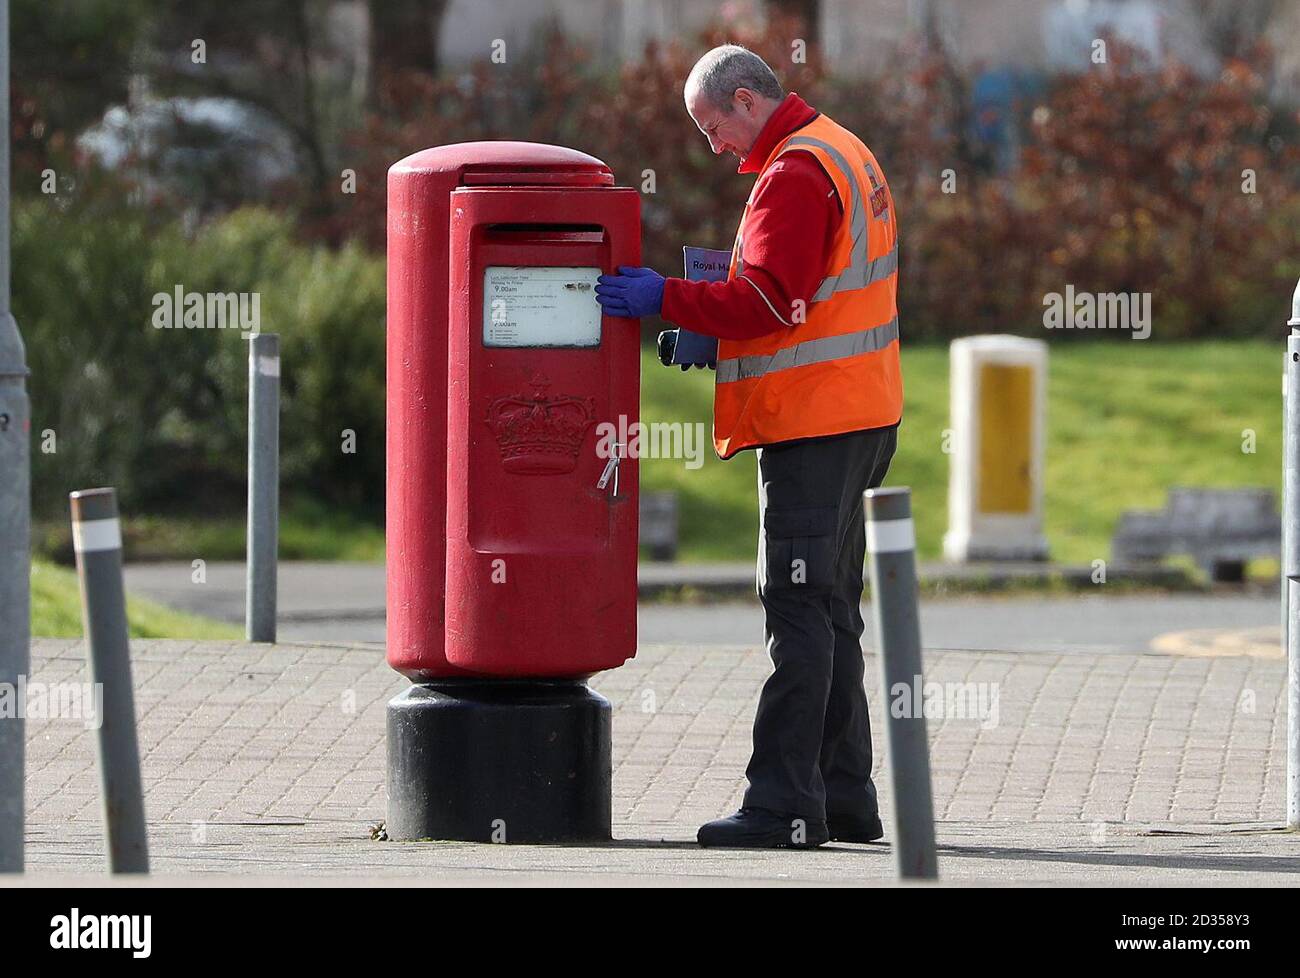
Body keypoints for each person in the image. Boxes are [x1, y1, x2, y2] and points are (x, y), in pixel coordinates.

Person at [595, 44, 903, 849]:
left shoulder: (795, 173)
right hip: (863, 414)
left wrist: (665, 295)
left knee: (796, 608)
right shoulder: (843, 148)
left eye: (712, 127)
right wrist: (710, 325)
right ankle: (843, 798)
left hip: (813, 425)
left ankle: (783, 807)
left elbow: (771, 296)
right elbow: (819, 296)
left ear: (744, 99)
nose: (714, 146)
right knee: (832, 609)